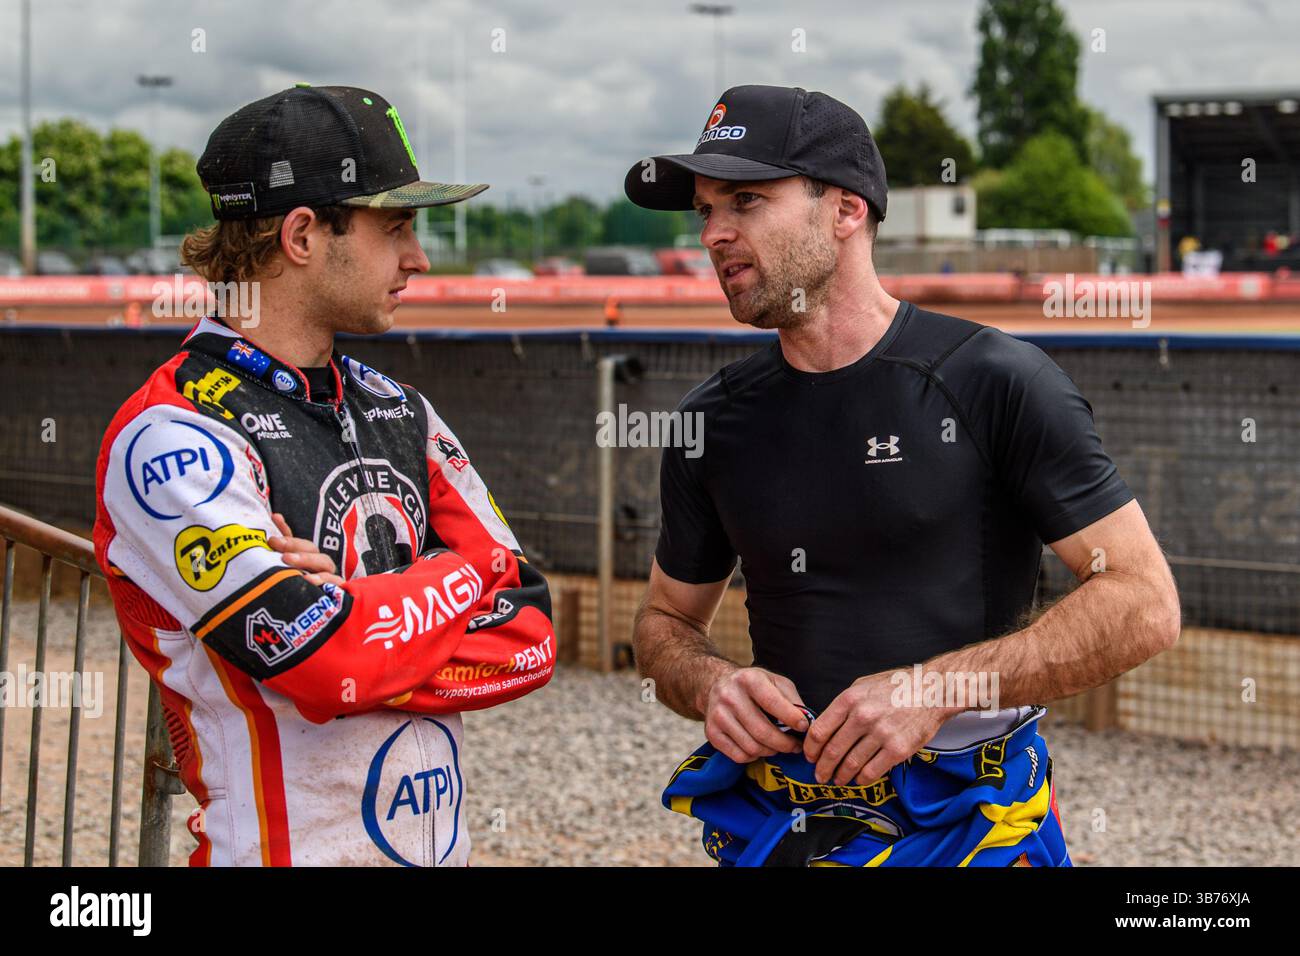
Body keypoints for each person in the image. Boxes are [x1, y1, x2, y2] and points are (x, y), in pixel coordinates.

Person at [625, 85, 1181, 864]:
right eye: (704, 212)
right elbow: (665, 624)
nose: (714, 234)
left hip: (970, 827)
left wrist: (932, 690)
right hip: (776, 828)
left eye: (745, 202)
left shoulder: (995, 380)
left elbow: (1144, 603)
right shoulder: (711, 420)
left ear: (846, 210)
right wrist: (712, 682)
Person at [93, 85, 556, 867]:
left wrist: (352, 608)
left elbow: (534, 632)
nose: (420, 257)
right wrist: (454, 585)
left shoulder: (400, 407)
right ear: (303, 234)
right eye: (397, 226)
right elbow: (318, 664)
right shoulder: (170, 434)